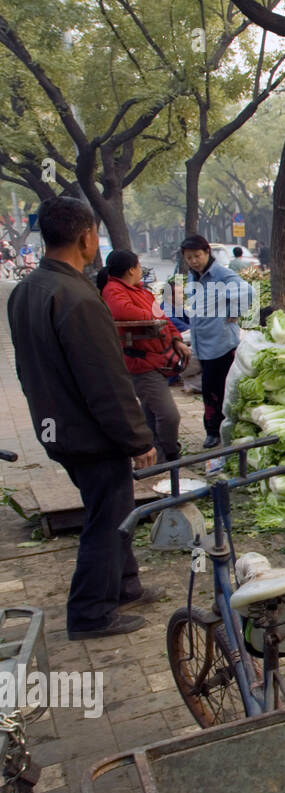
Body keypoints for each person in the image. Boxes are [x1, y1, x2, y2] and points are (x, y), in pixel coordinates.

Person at [7, 197, 161, 639]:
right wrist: (137, 439)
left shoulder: (27, 290)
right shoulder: (78, 297)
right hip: (89, 433)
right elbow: (106, 382)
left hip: (57, 426)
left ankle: (125, 585)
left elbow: (25, 367)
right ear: (86, 237)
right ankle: (91, 613)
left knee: (113, 508)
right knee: (106, 519)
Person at [98, 250, 189, 462]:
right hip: (142, 363)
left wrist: (176, 339)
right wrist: (153, 320)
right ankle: (170, 452)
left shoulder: (142, 292)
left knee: (150, 412)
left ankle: (156, 457)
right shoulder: (113, 290)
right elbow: (122, 311)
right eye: (139, 265)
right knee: (168, 415)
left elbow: (163, 316)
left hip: (159, 360)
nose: (141, 269)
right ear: (131, 269)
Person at [180, 234, 252, 448]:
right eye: (189, 257)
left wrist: (235, 311)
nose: (193, 261)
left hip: (220, 343)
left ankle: (217, 431)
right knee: (211, 388)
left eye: (197, 256)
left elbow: (247, 291)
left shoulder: (220, 273)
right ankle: (215, 429)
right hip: (203, 342)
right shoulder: (195, 275)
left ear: (207, 253)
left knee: (219, 389)